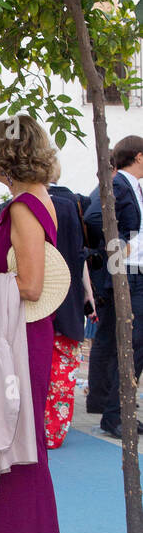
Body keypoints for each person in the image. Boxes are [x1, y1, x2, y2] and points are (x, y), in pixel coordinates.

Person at [0, 115, 68, 533]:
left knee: (16, 450)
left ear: (5, 157)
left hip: (20, 338)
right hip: (18, 334)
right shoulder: (35, 200)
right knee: (13, 449)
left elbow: (29, 285)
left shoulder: (24, 207)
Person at [94, 135, 143, 439]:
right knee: (130, 346)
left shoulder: (133, 187)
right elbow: (95, 215)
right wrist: (118, 251)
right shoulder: (120, 184)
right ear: (139, 157)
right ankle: (114, 415)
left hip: (135, 272)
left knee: (134, 347)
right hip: (128, 275)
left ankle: (120, 412)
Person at [45, 172, 91, 448]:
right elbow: (79, 254)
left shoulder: (13, 206)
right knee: (62, 370)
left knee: (41, 369)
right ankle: (54, 430)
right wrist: (87, 293)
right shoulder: (70, 204)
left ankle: (41, 430)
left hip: (40, 299)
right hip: (68, 298)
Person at [83, 154, 118, 413]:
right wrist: (117, 243)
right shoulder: (103, 193)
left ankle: (105, 396)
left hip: (107, 270)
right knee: (105, 338)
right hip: (105, 273)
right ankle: (100, 398)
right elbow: (93, 218)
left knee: (108, 338)